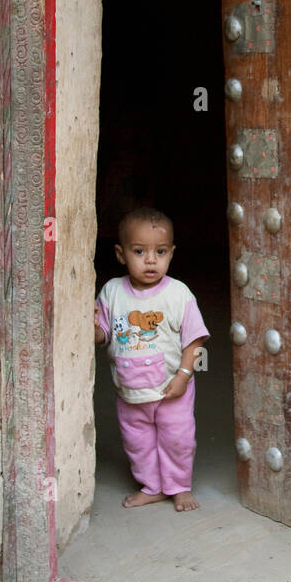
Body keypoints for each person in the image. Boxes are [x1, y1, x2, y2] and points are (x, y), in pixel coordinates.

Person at [94, 206, 209, 512]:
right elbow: (103, 333)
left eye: (160, 251)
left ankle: (179, 486)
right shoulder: (112, 292)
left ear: (171, 253)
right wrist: (88, 324)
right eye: (139, 251)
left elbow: (195, 340)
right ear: (120, 254)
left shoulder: (178, 294)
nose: (150, 260)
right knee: (137, 443)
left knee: (178, 440)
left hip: (171, 389)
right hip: (130, 391)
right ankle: (152, 486)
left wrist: (183, 375)